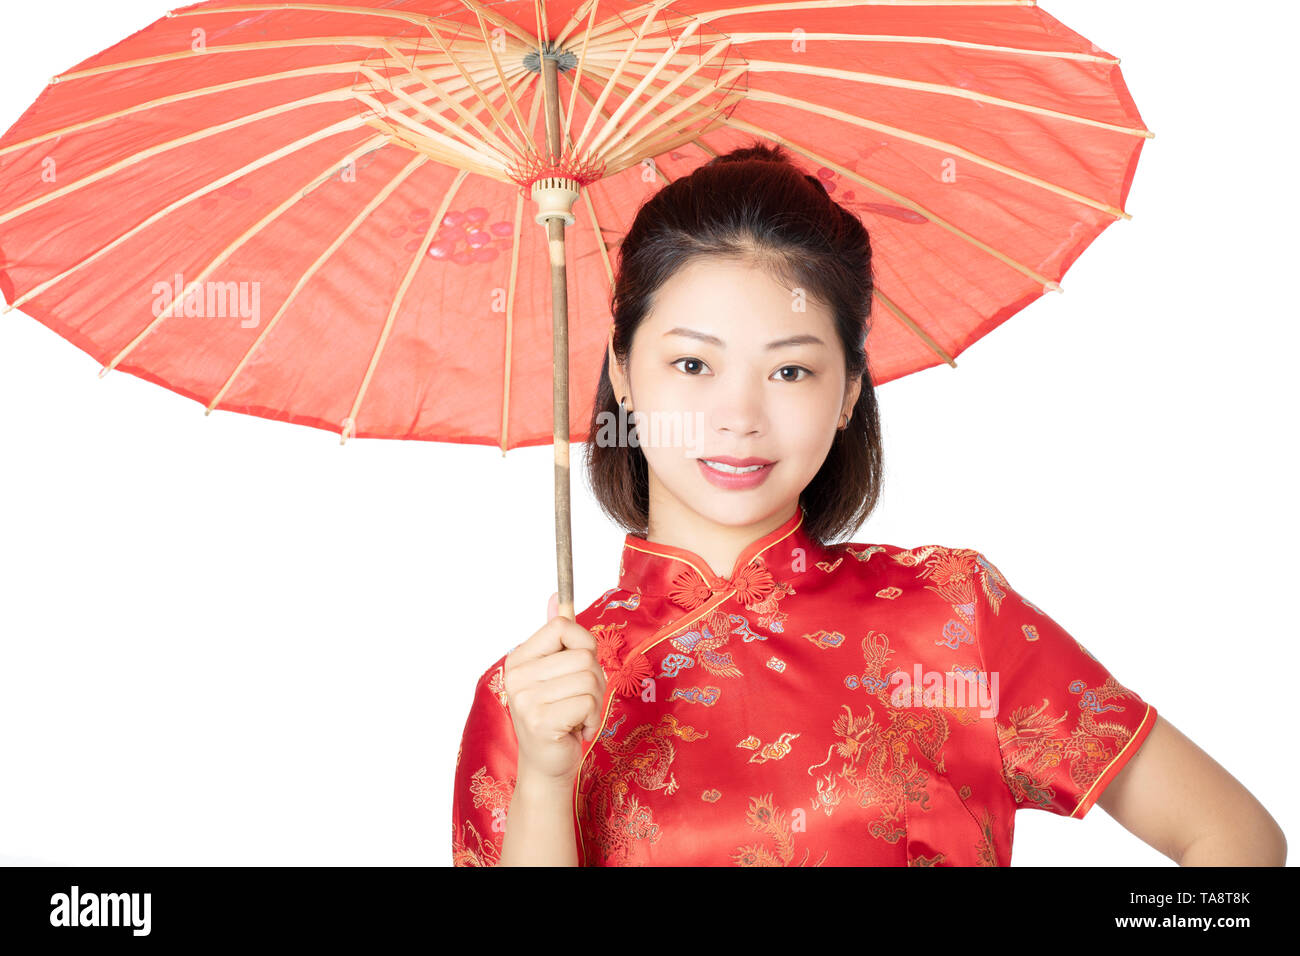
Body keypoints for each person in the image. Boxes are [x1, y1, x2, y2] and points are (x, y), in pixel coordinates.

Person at [451, 140, 1286, 867]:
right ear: (624, 374)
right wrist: (547, 778)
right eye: (694, 366)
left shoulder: (953, 625)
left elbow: (1234, 839)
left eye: (790, 371)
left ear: (850, 390)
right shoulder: (533, 701)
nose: (739, 417)